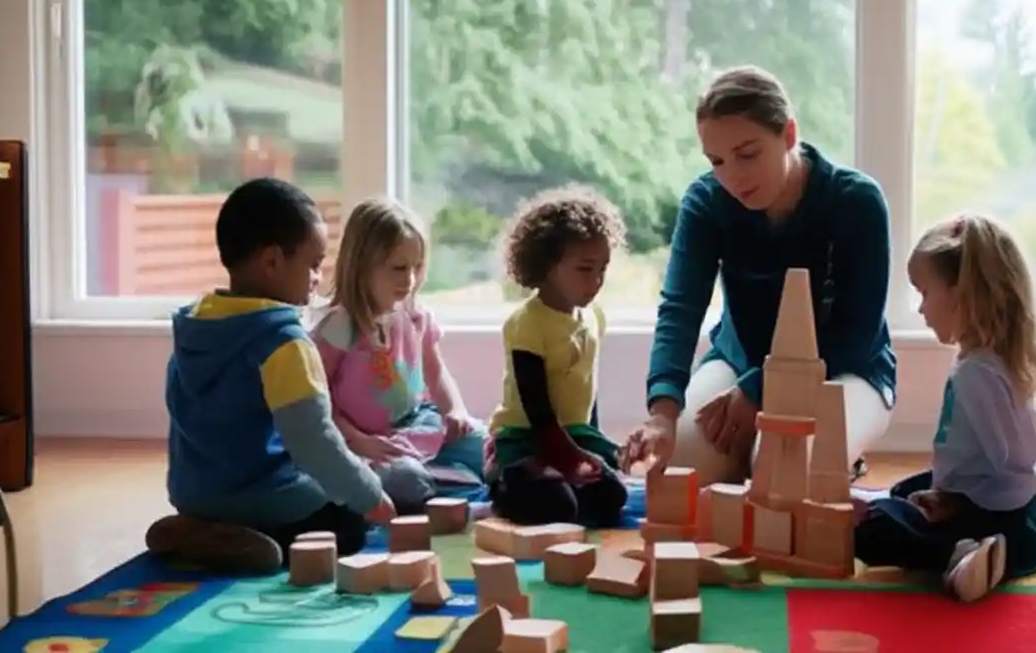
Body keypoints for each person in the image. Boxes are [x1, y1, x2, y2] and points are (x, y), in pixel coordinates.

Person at [620, 65, 896, 485]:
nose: (733, 176)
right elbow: (680, 308)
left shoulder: (856, 201)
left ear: (788, 135)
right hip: (739, 361)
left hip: (843, 370)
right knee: (682, 469)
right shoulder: (706, 201)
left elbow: (855, 336)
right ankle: (756, 457)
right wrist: (662, 413)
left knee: (779, 475)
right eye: (716, 160)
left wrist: (759, 390)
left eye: (748, 154)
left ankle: (834, 460)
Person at [145, 178, 396, 575]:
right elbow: (314, 442)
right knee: (349, 526)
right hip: (261, 497)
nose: (317, 278)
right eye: (313, 264)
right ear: (272, 261)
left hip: (192, 495)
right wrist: (369, 495)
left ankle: (200, 531)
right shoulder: (283, 342)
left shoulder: (197, 328)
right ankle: (252, 543)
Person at [854, 214, 1036, 602]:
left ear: (963, 295)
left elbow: (1013, 467)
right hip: (1006, 509)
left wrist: (956, 506)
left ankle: (968, 557)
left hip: (1001, 520)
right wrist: (946, 493)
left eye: (925, 293)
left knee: (874, 528)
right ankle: (969, 548)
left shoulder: (977, 375)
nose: (921, 309)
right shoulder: (990, 361)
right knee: (906, 490)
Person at [311, 197, 486, 513]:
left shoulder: (415, 315)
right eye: (398, 268)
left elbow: (436, 371)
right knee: (404, 480)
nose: (409, 280)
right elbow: (318, 402)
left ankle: (449, 485)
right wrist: (358, 441)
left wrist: (455, 410)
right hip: (363, 441)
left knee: (485, 444)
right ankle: (450, 495)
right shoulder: (342, 325)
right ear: (362, 266)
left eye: (417, 267)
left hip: (417, 423)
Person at [485, 186, 630, 526]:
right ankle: (503, 483)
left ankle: (560, 483)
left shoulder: (593, 318)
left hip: (572, 434)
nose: (596, 281)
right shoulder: (527, 325)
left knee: (613, 495)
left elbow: (586, 395)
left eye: (603, 269)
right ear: (548, 266)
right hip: (527, 438)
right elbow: (539, 414)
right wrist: (570, 461)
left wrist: (595, 452)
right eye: (585, 269)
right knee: (559, 507)